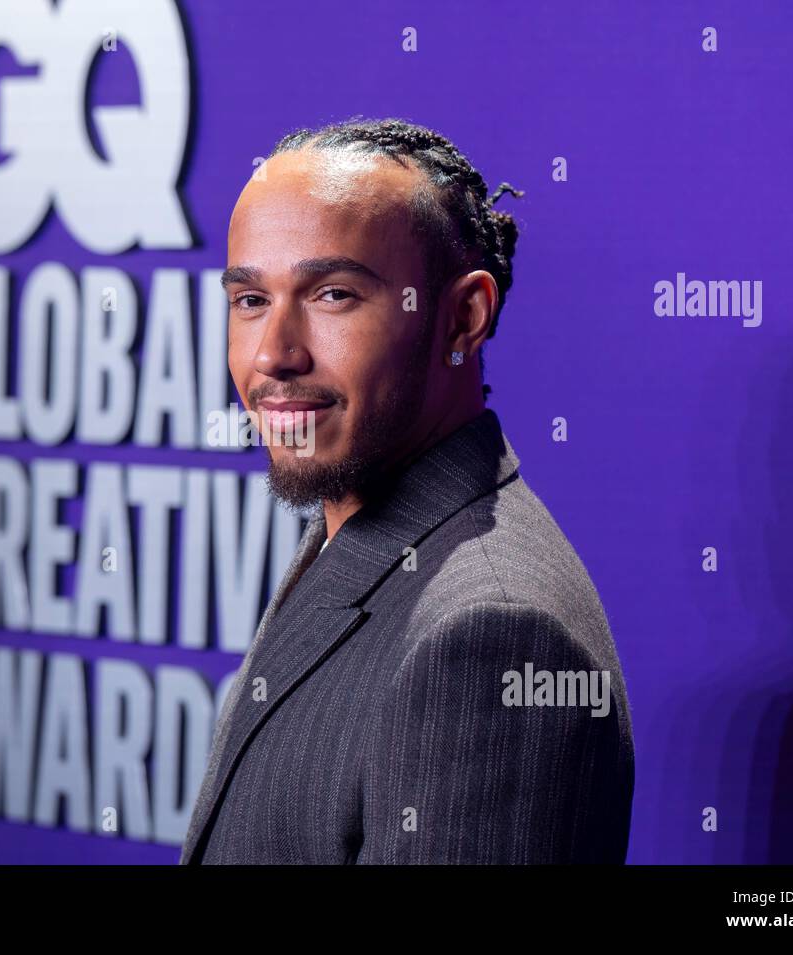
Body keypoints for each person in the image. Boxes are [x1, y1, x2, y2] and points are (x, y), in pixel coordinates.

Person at [180, 117, 634, 864]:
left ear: (463, 316)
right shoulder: (356, 535)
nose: (273, 355)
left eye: (331, 294)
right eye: (250, 300)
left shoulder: (491, 633)